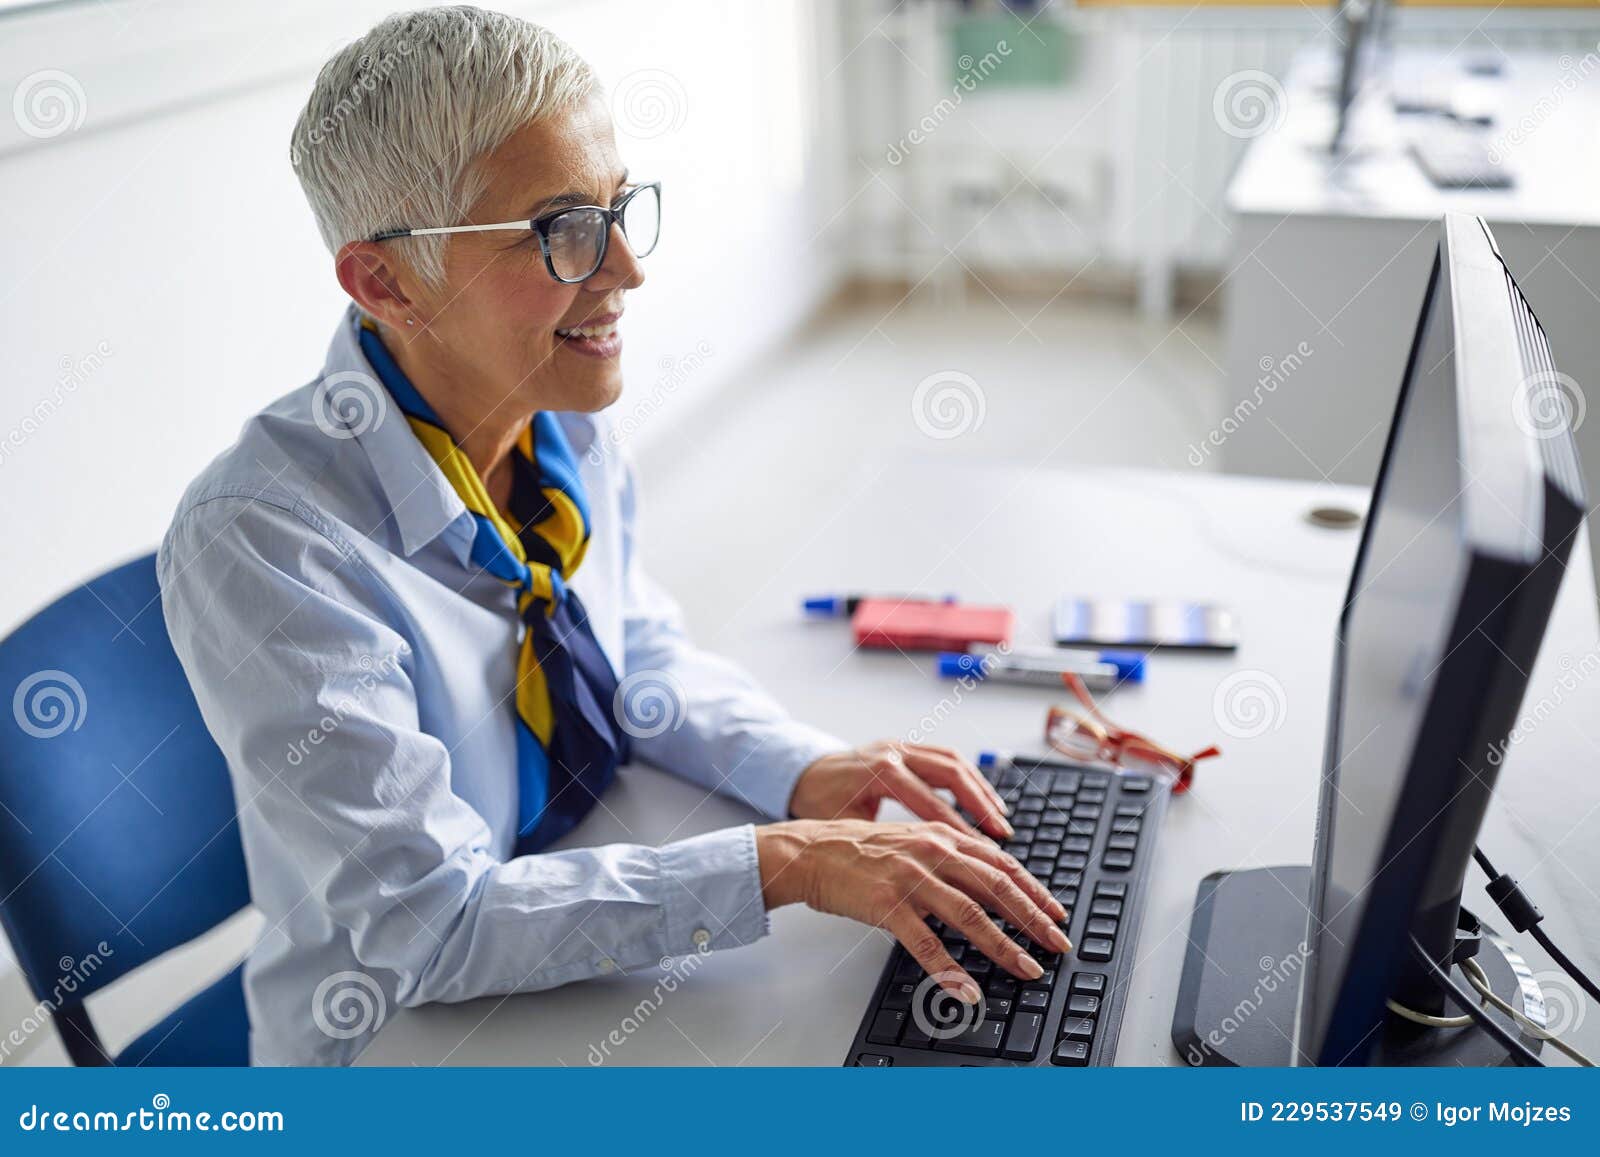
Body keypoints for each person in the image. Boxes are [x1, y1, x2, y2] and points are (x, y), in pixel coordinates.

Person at [159, 5, 1067, 1066]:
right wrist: (789, 861)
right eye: (560, 231)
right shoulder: (269, 540)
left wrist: (807, 772)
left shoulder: (559, 413)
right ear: (386, 282)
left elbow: (632, 652)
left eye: (618, 206)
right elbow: (434, 925)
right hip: (397, 1041)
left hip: (576, 897)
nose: (627, 269)